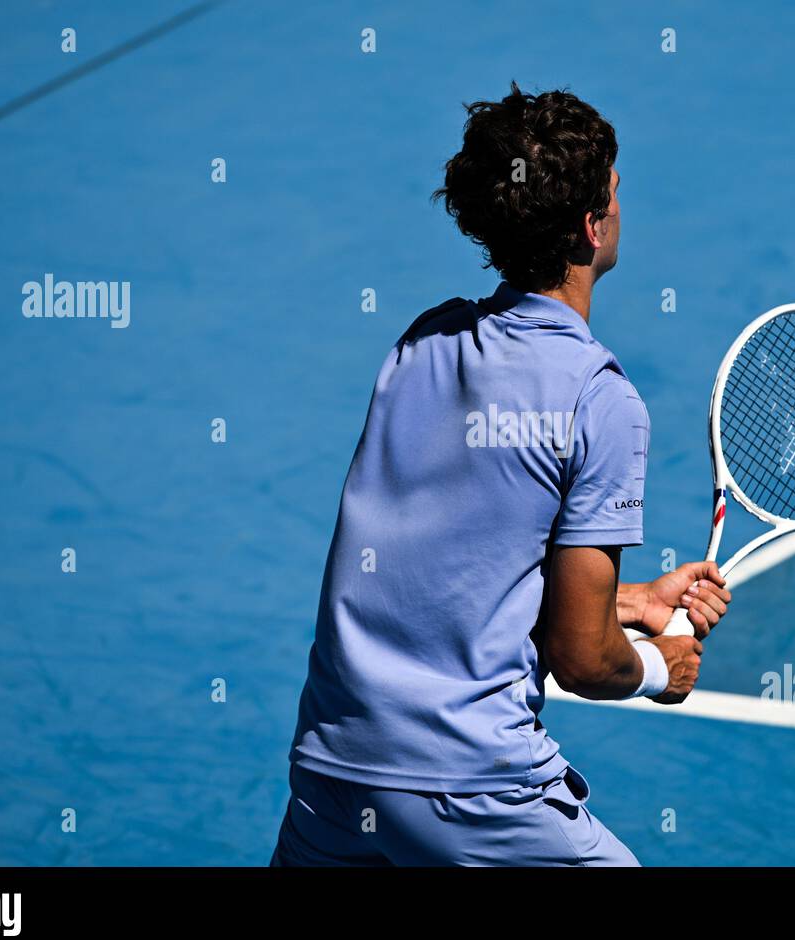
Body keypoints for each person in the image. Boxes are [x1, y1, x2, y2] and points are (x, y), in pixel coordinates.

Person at [272, 83, 731, 866]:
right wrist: (660, 666)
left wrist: (630, 601)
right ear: (592, 227)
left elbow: (444, 569)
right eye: (615, 191)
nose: (621, 206)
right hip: (471, 791)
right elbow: (583, 660)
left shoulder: (421, 346)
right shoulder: (600, 400)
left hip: (332, 774)